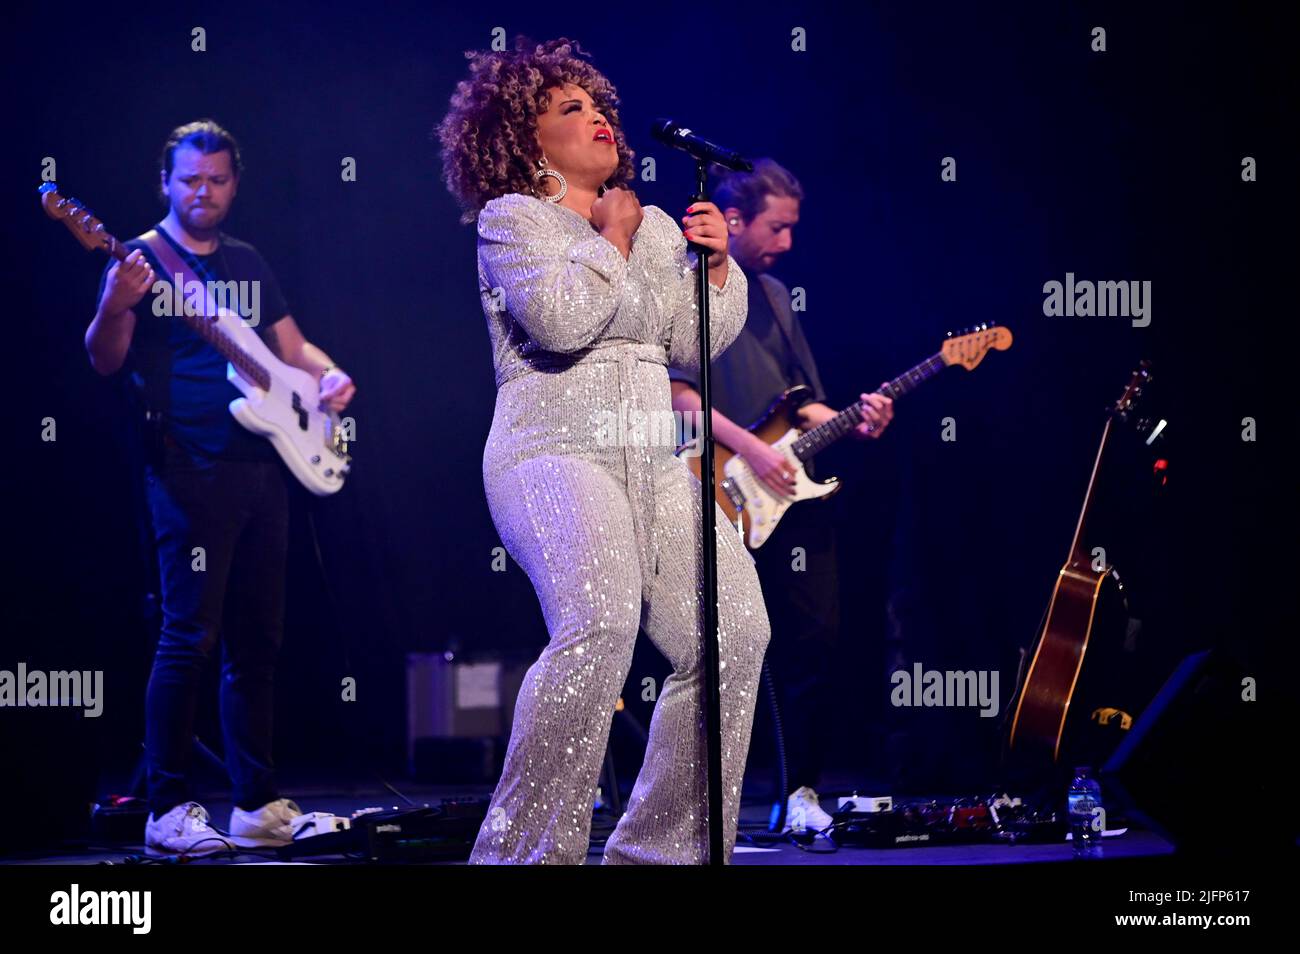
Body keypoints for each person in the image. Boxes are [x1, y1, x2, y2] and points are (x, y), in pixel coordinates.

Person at [436, 37, 771, 863]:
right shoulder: (513, 221)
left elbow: (692, 344)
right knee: (599, 621)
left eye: (597, 105)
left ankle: (661, 851)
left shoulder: (655, 224)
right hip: (552, 449)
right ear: (524, 139)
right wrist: (610, 238)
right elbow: (559, 323)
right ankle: (524, 855)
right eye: (568, 109)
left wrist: (719, 272)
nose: (597, 119)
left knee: (736, 632)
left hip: (654, 458)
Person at [86, 119, 357, 857]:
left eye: (216, 179)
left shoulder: (247, 259)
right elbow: (105, 360)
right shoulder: (141, 259)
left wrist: (328, 377)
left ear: (234, 185)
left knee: (258, 643)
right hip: (186, 464)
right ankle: (167, 808)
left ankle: (254, 803)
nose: (202, 191)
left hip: (264, 464)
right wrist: (114, 302)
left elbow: (292, 349)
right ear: (165, 183)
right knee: (187, 635)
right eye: (189, 179)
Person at [668, 159, 894, 832]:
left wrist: (853, 418)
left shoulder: (771, 294)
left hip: (788, 496)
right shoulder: (686, 292)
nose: (788, 242)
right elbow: (675, 393)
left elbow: (801, 400)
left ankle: (797, 791)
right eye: (778, 227)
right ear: (731, 222)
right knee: (710, 646)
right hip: (712, 486)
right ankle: (693, 799)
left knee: (815, 636)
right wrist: (751, 447)